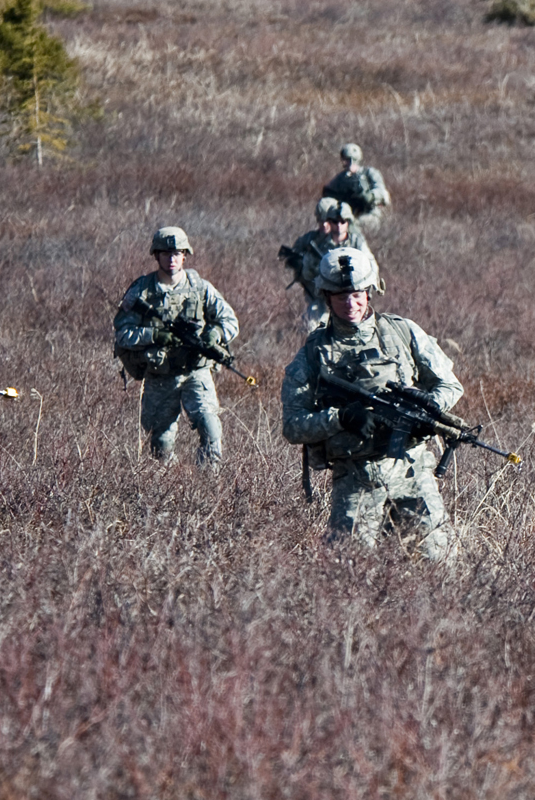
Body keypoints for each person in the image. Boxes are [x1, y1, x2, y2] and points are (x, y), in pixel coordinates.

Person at [280, 245, 462, 558]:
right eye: (340, 296)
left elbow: (450, 385)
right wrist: (341, 418)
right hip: (355, 478)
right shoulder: (313, 353)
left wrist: (423, 409)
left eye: (357, 294)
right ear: (326, 297)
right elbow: (293, 426)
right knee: (346, 571)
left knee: (437, 563)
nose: (349, 303)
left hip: (412, 471)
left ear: (370, 292)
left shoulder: (402, 332)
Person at [113, 226, 240, 465]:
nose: (171, 259)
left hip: (196, 371)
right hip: (161, 375)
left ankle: (209, 489)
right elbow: (122, 334)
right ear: (156, 255)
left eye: (177, 253)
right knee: (161, 443)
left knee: (211, 430)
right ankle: (167, 495)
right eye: (165, 253)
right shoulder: (142, 290)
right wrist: (155, 335)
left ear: (185, 255)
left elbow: (230, 321)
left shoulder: (200, 287)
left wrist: (215, 334)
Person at [280, 197, 371, 327]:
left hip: (348, 296)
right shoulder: (316, 241)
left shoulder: (356, 242)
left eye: (342, 222)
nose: (338, 225)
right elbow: (294, 257)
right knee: (311, 327)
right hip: (320, 294)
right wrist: (304, 265)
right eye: (334, 221)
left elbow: (370, 266)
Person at [323, 143, 390, 226]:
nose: (348, 163)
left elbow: (382, 193)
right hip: (347, 214)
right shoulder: (341, 178)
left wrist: (370, 196)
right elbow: (329, 194)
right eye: (346, 160)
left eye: (350, 160)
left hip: (369, 213)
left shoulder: (369, 173)